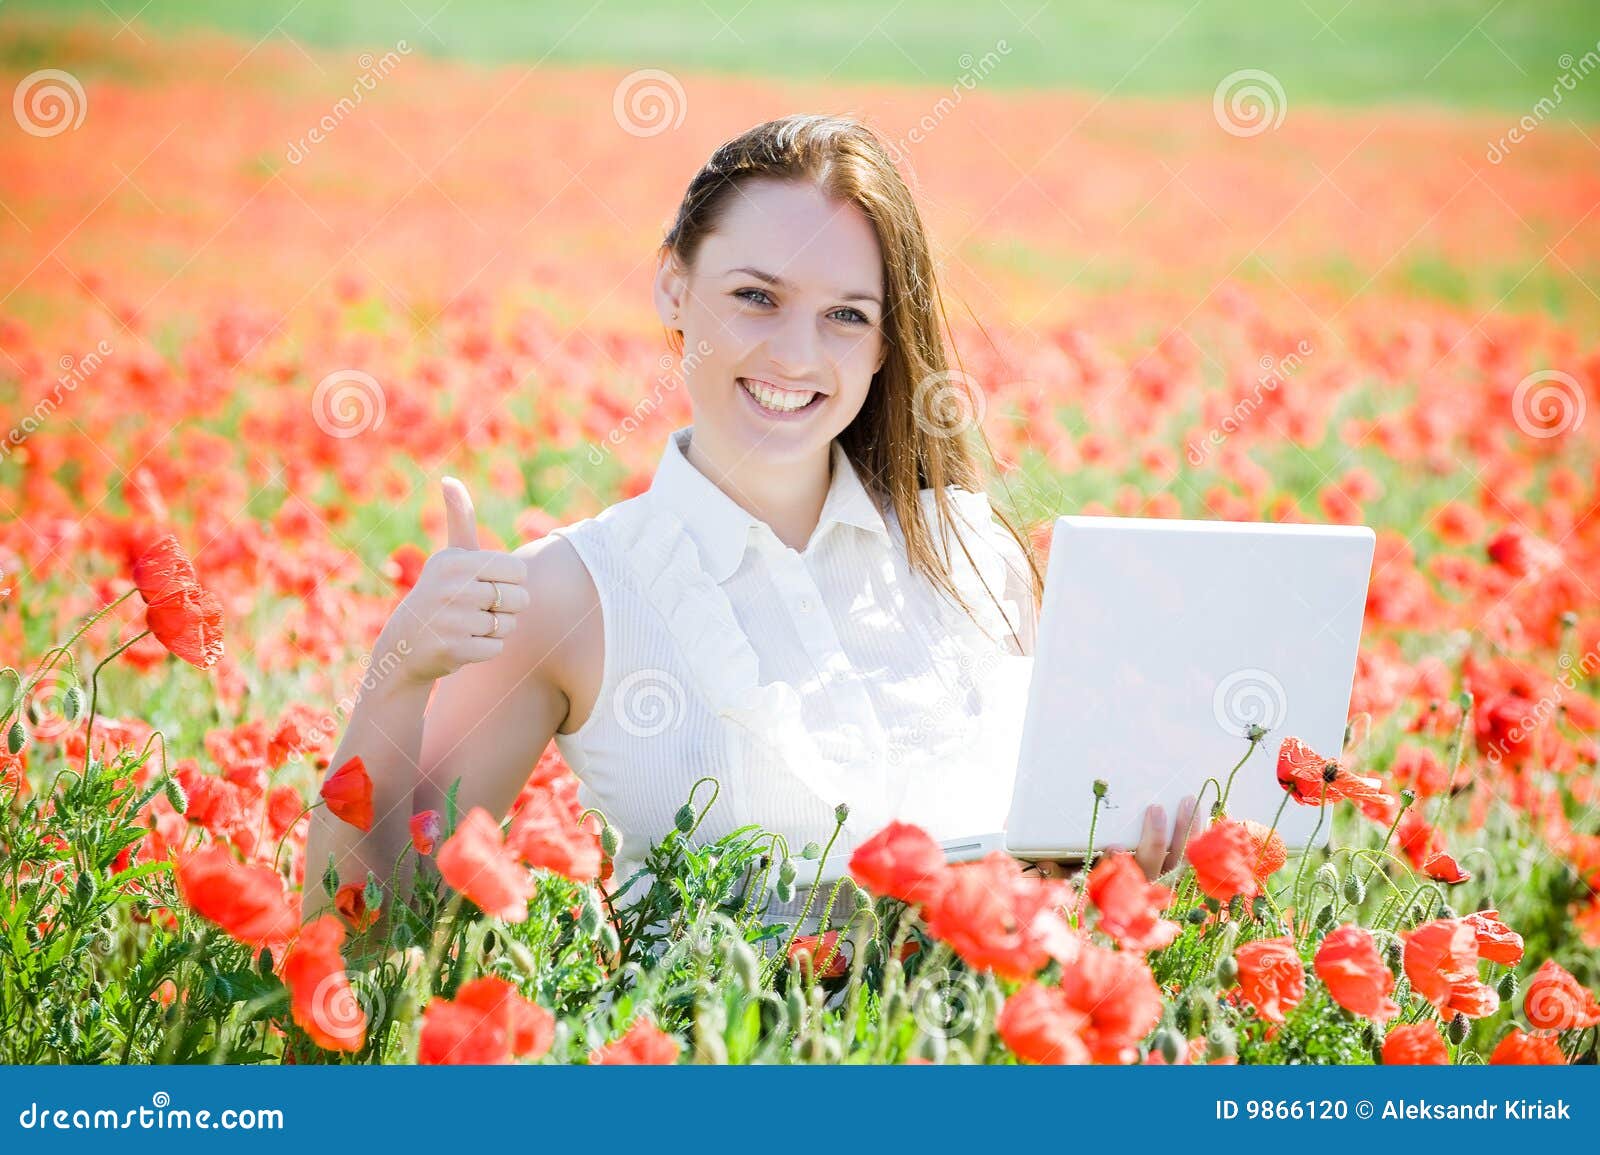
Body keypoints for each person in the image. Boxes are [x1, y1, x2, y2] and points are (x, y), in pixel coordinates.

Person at [303, 114, 1201, 938]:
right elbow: (370, 932)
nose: (798, 355)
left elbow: (1042, 869)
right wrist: (401, 674)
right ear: (673, 289)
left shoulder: (977, 554)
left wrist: (1116, 866)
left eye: (847, 315)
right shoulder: (574, 593)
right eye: (756, 297)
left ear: (887, 343)